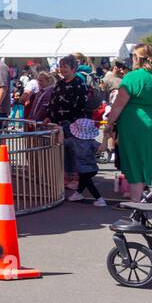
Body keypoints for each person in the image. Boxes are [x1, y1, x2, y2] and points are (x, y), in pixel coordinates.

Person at [101, 43, 152, 203]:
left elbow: (118, 106)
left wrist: (109, 124)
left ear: (136, 58)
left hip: (135, 126)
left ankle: (136, 204)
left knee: (134, 165)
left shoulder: (132, 77)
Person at [46, 55, 106, 206]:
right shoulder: (59, 83)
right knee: (64, 150)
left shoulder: (79, 83)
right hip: (57, 122)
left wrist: (73, 123)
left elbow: (79, 105)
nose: (62, 69)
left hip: (72, 124)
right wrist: (49, 117)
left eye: (65, 66)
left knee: (75, 151)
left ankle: (76, 178)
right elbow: (53, 101)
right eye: (61, 66)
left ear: (73, 68)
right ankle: (69, 177)